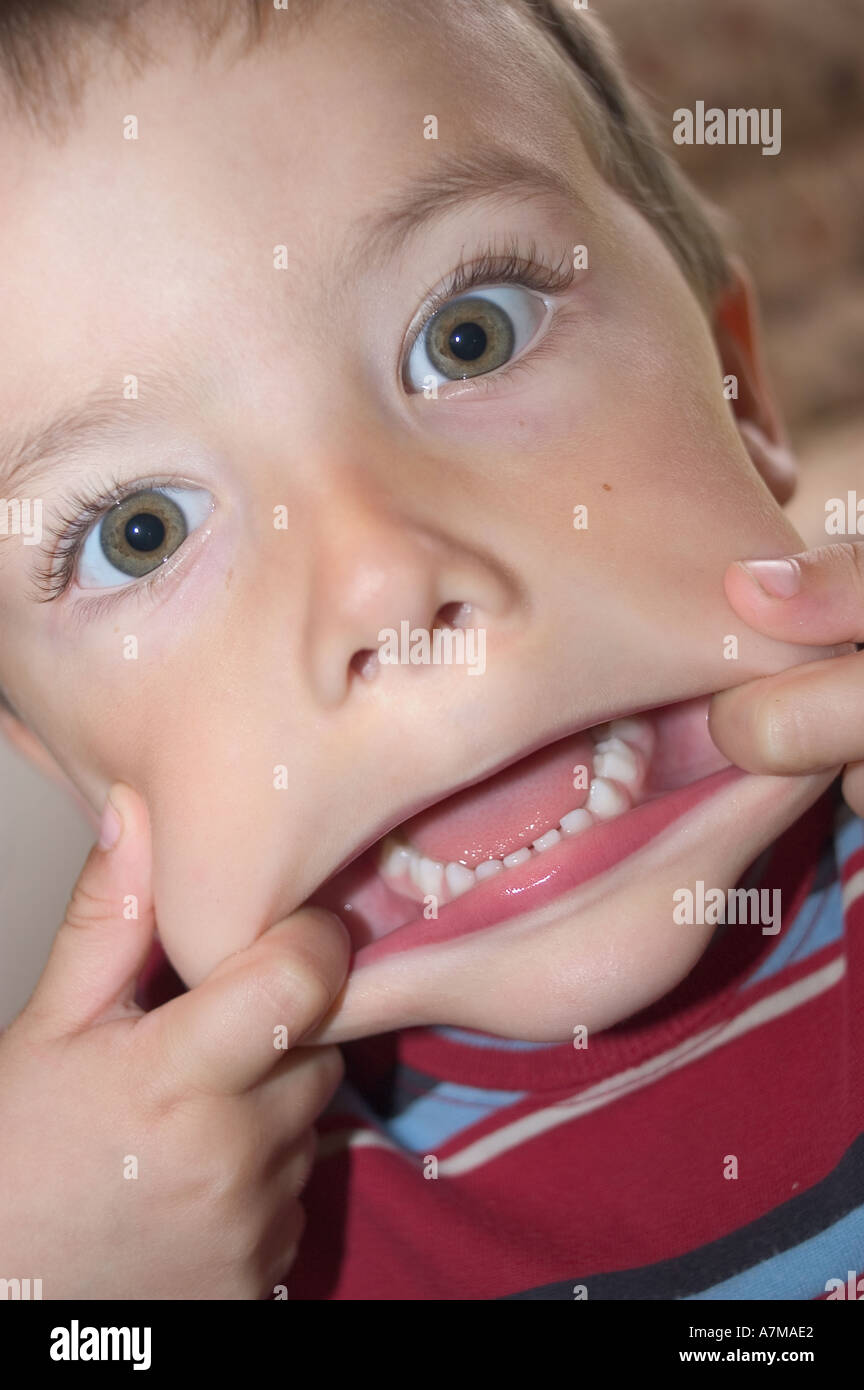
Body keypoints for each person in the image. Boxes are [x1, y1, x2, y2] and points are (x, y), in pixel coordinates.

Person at [0, 0, 862, 1300]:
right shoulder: (163, 1232)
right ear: (67, 770)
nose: (383, 578)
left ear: (737, 388)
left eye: (471, 335)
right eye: (139, 532)